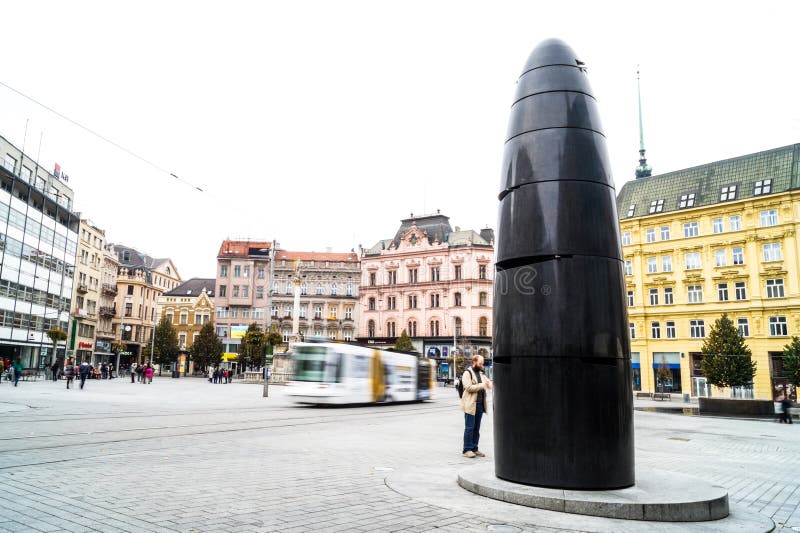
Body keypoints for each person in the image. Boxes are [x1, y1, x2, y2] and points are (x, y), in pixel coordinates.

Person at [460, 355, 492, 458]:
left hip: (479, 406)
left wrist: (490, 383)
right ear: (474, 362)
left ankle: (474, 448)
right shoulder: (467, 373)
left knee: (476, 428)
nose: (482, 365)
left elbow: (488, 383)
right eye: (480, 363)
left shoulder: (481, 373)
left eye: (482, 364)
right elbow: (468, 388)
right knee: (469, 428)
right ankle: (467, 449)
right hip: (470, 405)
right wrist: (483, 385)